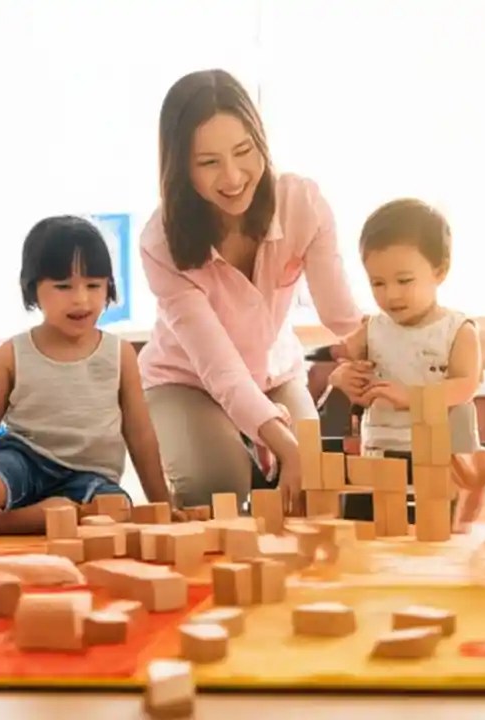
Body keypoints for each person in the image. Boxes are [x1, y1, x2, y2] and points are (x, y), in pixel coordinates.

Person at [139, 68, 362, 513]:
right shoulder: (160, 242)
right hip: (187, 380)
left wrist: (404, 351)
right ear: (180, 167)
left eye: (244, 151)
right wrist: (283, 443)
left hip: (273, 372)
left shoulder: (302, 203)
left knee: (316, 480)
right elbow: (220, 371)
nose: (234, 176)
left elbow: (342, 316)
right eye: (208, 163)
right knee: (216, 485)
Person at [0, 215, 171, 536]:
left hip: (90, 476)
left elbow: (140, 433)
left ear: (109, 286)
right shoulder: (12, 353)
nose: (81, 298)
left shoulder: (119, 355)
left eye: (94, 285)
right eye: (63, 286)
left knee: (116, 511)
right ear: (33, 290)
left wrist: (164, 504)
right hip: (23, 460)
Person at [326, 199, 485, 526]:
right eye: (377, 283)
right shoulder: (371, 328)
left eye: (404, 281)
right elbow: (341, 360)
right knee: (371, 532)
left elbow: (465, 385)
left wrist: (413, 398)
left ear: (439, 271)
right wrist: (342, 378)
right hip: (377, 454)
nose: (391, 295)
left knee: (433, 532)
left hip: (437, 459)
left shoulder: (457, 330)